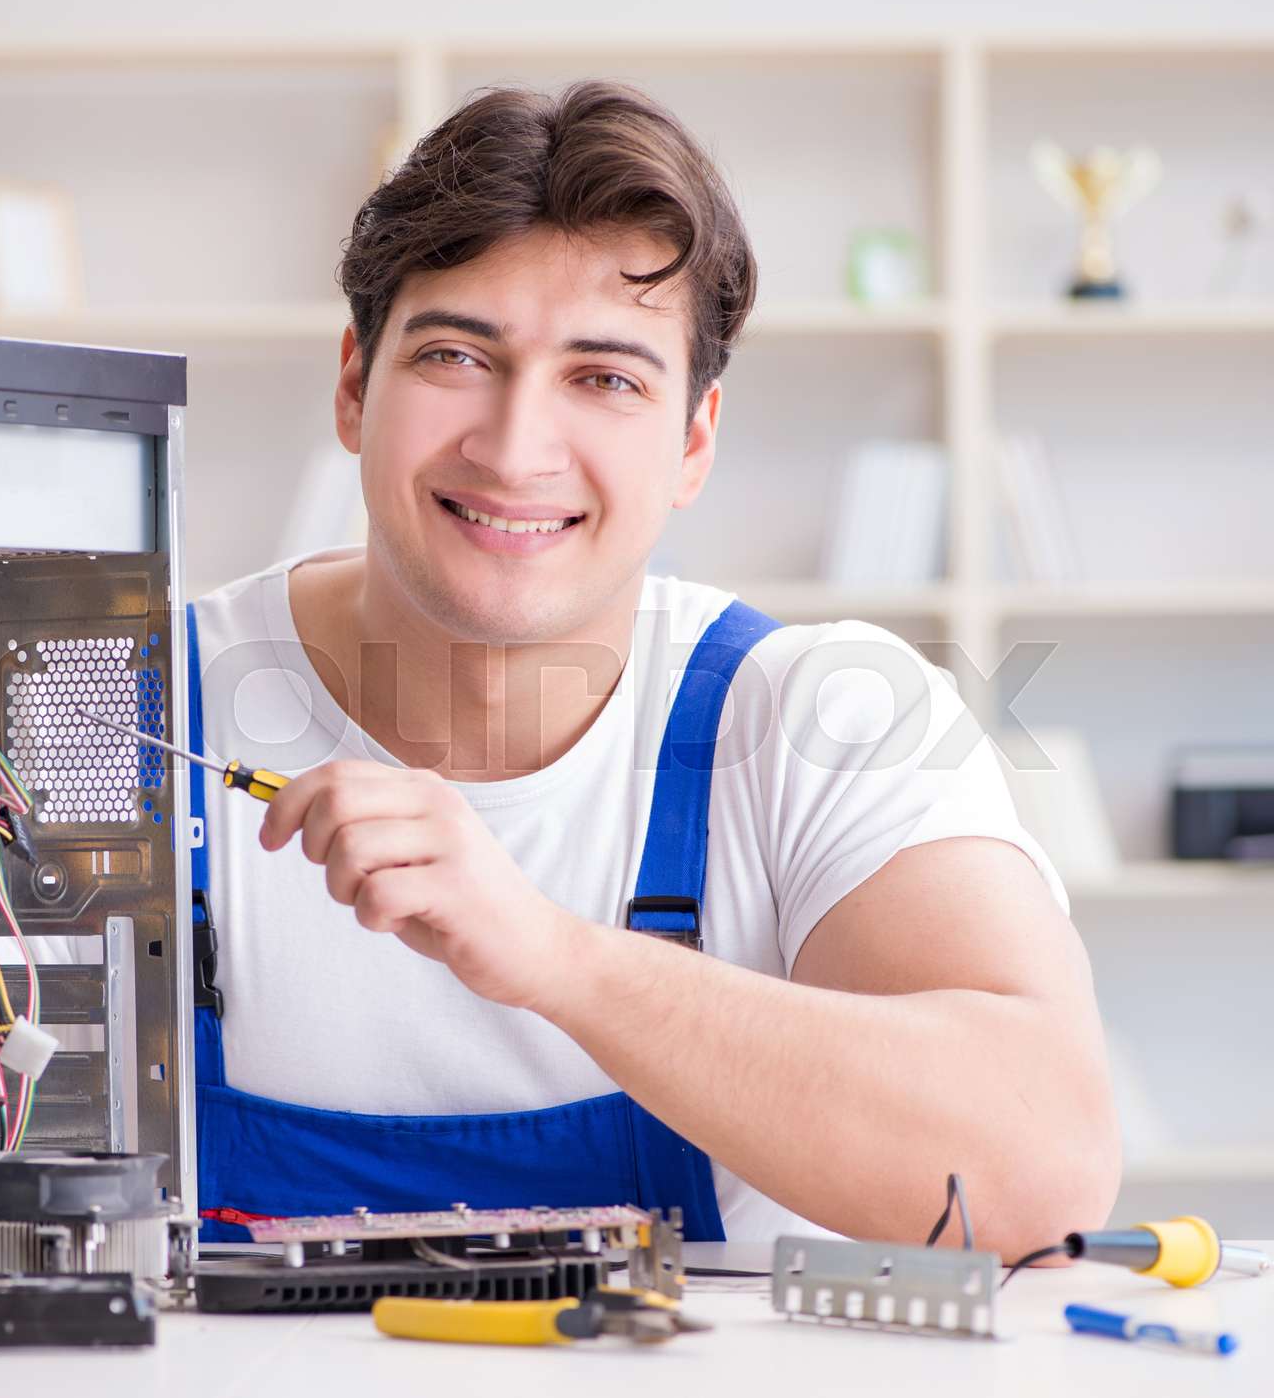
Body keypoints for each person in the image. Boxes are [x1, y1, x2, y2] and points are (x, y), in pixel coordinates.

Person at [187, 81, 1119, 1251]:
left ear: (692, 439)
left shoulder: (821, 713)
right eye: (456, 356)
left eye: (606, 378)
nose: (515, 446)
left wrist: (559, 961)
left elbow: (1042, 1174)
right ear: (351, 385)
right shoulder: (128, 708)